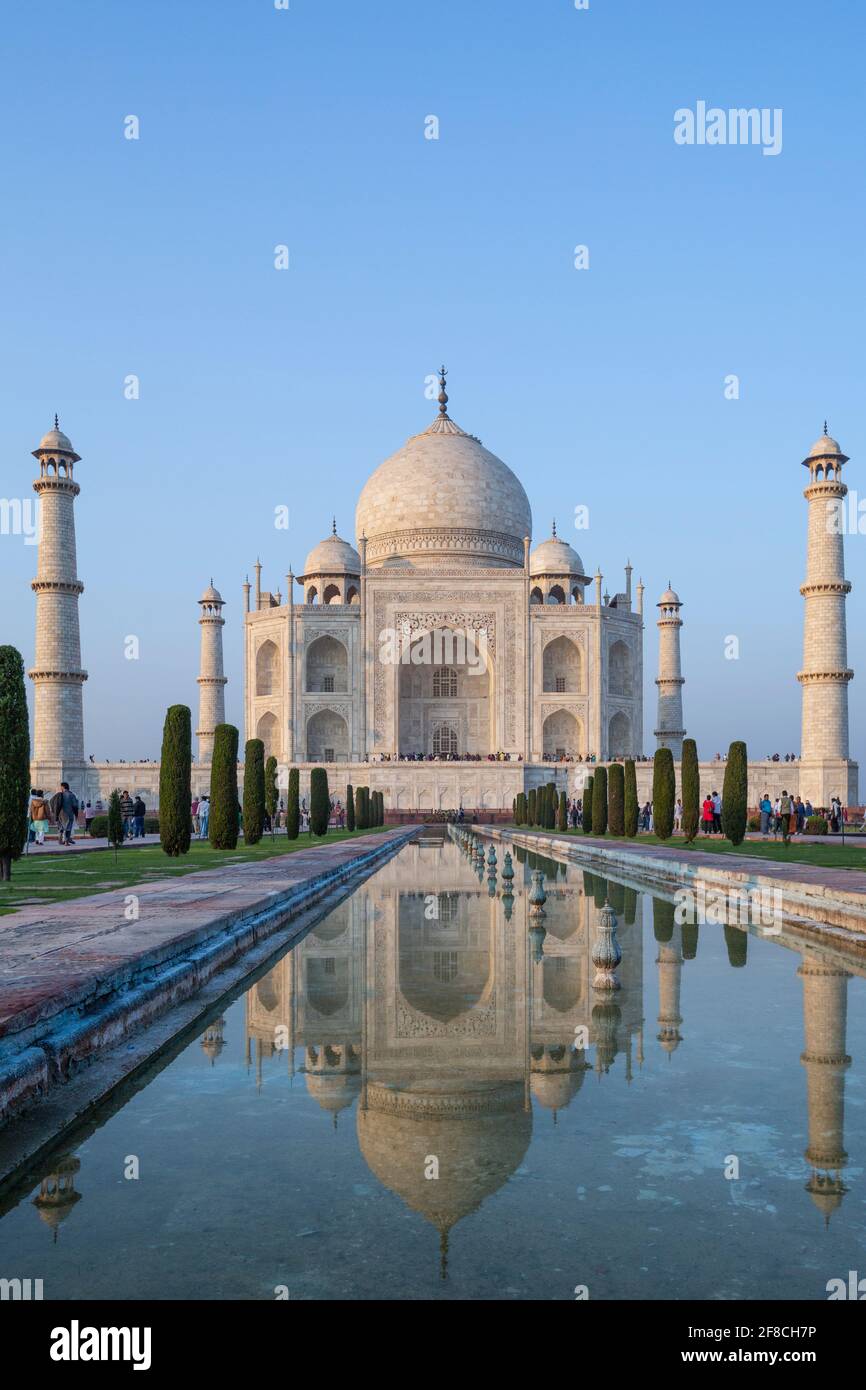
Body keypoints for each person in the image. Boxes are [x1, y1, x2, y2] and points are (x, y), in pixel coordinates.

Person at [50, 781, 79, 846]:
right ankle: (66, 842)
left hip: (59, 814)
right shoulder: (71, 795)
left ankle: (60, 840)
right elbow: (75, 805)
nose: (60, 788)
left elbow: (51, 801)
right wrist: (76, 814)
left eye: (61, 787)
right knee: (68, 828)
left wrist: (54, 812)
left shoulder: (59, 795)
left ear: (63, 787)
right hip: (68, 814)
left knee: (61, 827)